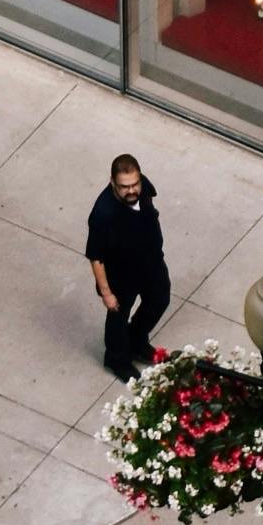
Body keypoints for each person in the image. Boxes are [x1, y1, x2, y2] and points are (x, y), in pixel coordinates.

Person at [85, 155, 169, 379]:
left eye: (135, 184)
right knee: (118, 319)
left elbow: (148, 209)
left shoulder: (143, 187)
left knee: (160, 300)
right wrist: (107, 293)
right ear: (113, 182)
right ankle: (117, 359)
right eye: (124, 187)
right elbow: (96, 257)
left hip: (151, 263)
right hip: (121, 275)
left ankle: (137, 341)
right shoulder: (103, 214)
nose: (131, 191)